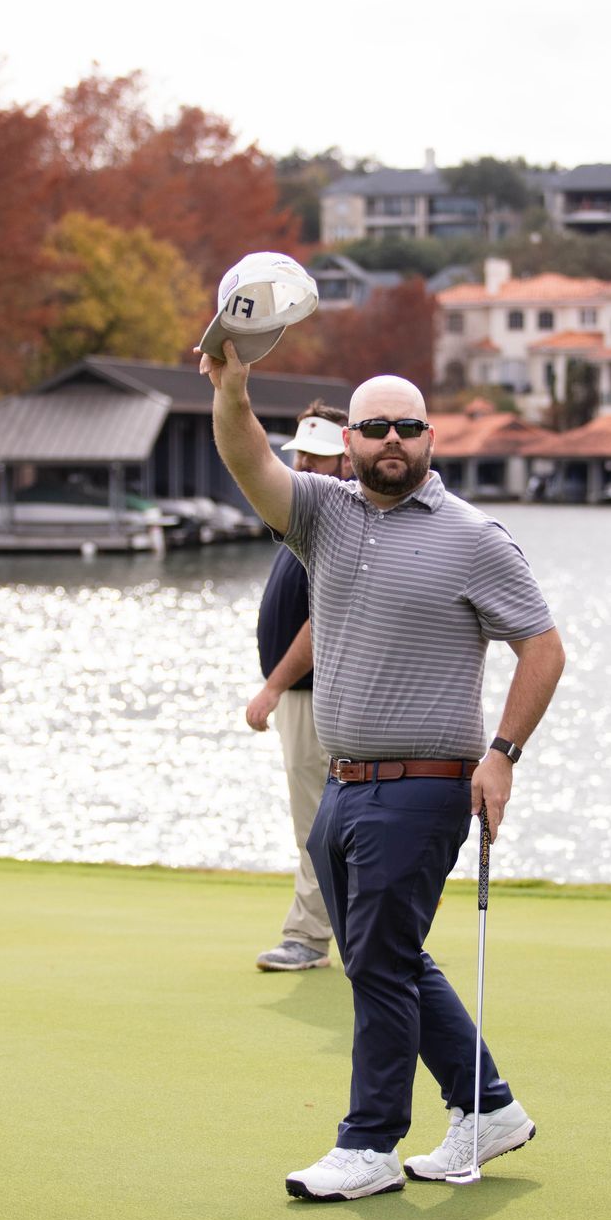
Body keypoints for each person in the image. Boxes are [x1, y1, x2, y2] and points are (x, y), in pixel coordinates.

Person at [202, 342, 567, 1202]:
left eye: (408, 426)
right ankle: (489, 1107)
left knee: (380, 960)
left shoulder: (474, 538)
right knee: (387, 956)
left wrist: (503, 757)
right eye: (375, 428)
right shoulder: (322, 514)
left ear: (431, 437)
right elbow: (246, 452)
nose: (392, 440)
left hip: (428, 784)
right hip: (345, 782)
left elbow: (543, 651)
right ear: (351, 440)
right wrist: (233, 388)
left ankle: (368, 1145)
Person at [248, 400, 352, 973]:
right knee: (322, 822)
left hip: (314, 695)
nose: (306, 464)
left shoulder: (335, 522)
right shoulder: (305, 519)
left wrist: (271, 689)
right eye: (302, 455)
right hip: (305, 696)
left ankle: (309, 939)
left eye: (320, 457)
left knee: (318, 825)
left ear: (346, 462)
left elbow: (322, 623)